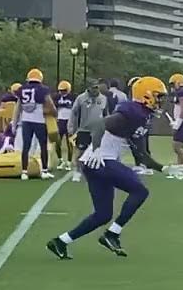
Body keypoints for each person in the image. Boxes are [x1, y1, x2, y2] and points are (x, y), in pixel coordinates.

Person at [46, 77, 170, 260]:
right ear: (146, 95)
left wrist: (164, 168)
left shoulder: (142, 115)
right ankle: (112, 234)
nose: (161, 101)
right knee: (140, 191)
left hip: (94, 163)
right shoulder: (133, 112)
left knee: (103, 215)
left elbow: (141, 154)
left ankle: (60, 242)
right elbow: (101, 124)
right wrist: (96, 148)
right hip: (100, 160)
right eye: (158, 96)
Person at [14, 68, 56, 180]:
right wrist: (54, 113)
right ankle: (44, 171)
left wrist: (15, 123)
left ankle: (24, 172)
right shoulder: (43, 89)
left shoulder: (22, 89)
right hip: (39, 120)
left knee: (26, 146)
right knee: (43, 145)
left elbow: (18, 107)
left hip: (26, 121)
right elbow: (50, 103)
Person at [70, 80, 108, 182]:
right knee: (80, 152)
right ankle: (77, 172)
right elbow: (74, 113)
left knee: (97, 151)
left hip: (98, 130)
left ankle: (96, 172)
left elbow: (106, 114)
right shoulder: (81, 98)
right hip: (84, 129)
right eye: (93, 88)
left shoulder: (103, 99)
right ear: (88, 88)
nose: (95, 90)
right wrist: (72, 127)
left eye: (97, 88)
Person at [53, 80, 76, 171]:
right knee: (57, 142)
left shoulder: (73, 97)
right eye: (61, 90)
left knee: (69, 142)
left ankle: (69, 162)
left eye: (64, 90)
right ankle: (60, 160)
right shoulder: (56, 97)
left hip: (69, 122)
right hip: (60, 121)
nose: (62, 92)